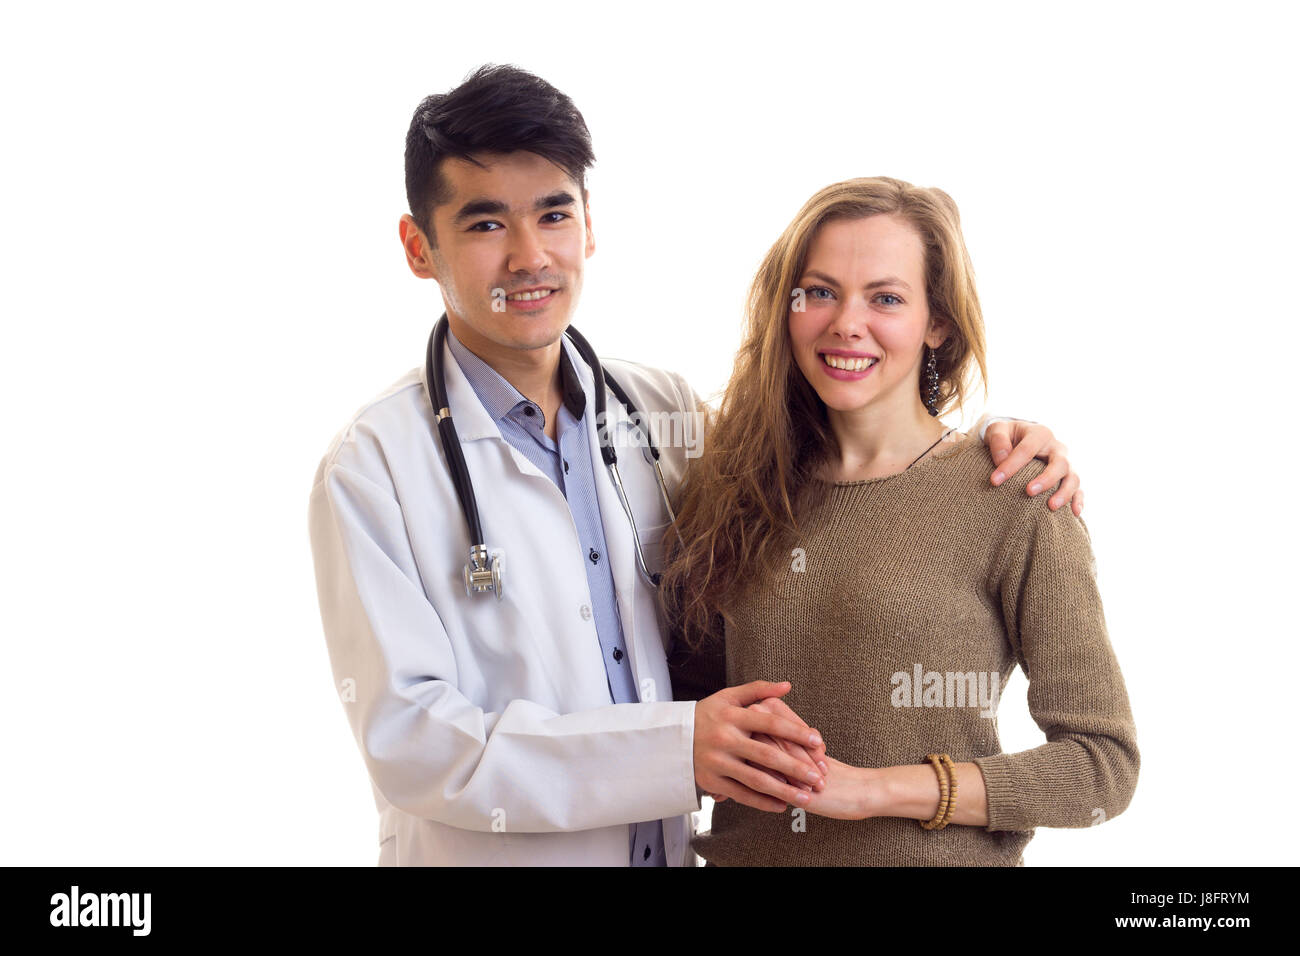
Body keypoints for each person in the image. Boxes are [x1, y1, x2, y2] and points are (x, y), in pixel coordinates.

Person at [308, 65, 1084, 866]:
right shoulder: (375, 468)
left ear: (589, 228)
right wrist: (675, 749)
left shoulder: (661, 415)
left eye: (553, 214)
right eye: (484, 225)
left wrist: (991, 439)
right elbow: (415, 742)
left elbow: (842, 484)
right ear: (417, 248)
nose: (530, 257)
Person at [663, 176, 1139, 866]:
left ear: (936, 322)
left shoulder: (1013, 491)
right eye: (820, 292)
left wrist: (875, 791)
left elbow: (1102, 767)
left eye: (885, 298)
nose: (845, 323)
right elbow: (687, 712)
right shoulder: (732, 491)